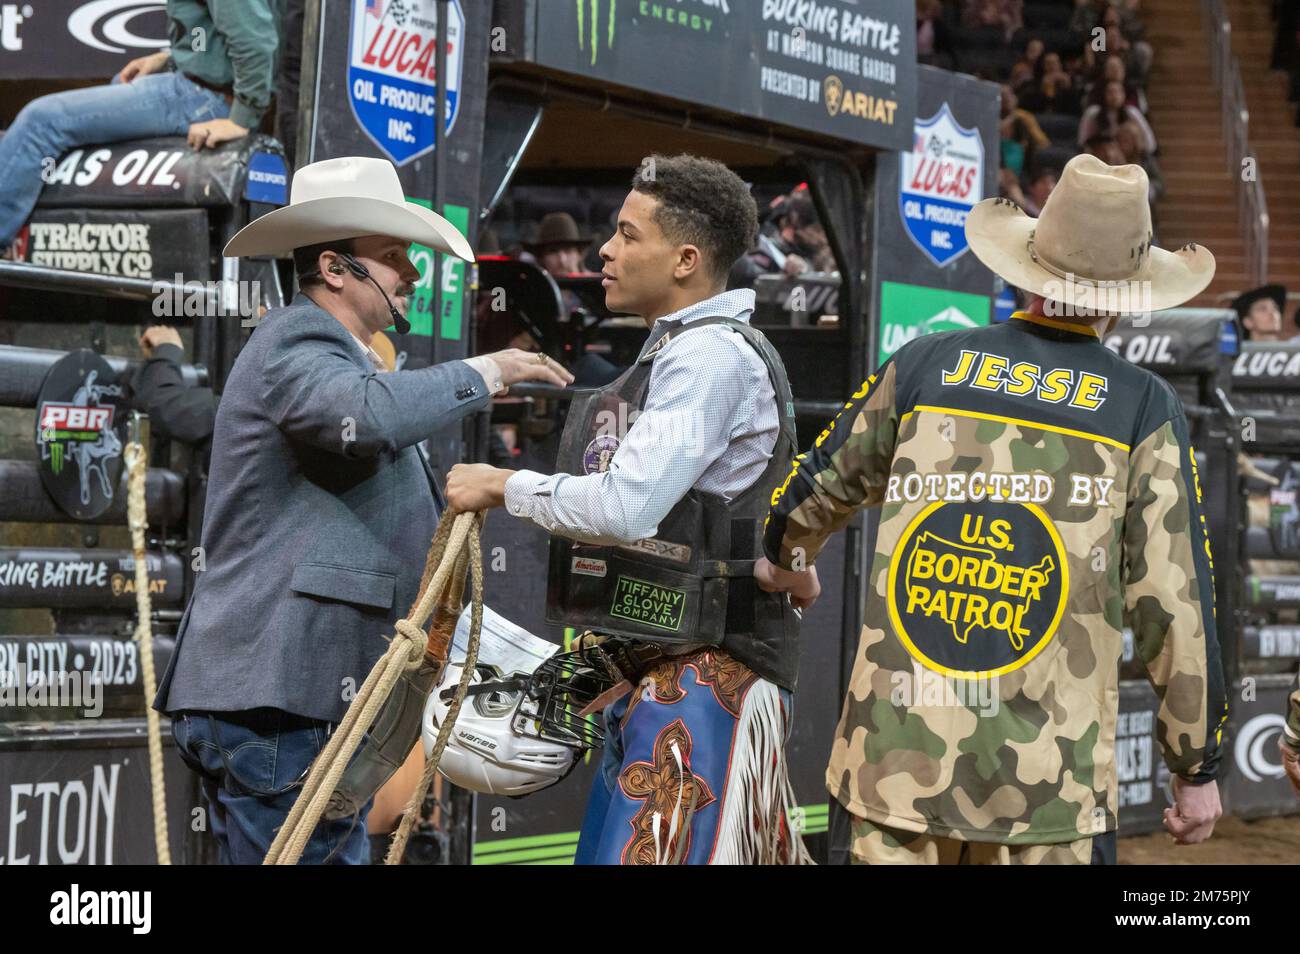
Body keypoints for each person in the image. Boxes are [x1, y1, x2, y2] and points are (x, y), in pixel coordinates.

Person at [755, 154, 1227, 864]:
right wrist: (1196, 766)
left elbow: (806, 496)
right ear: (1126, 296)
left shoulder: (923, 364)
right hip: (1049, 795)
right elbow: (1173, 602)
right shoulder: (1142, 408)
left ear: (1027, 270)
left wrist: (789, 564)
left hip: (892, 767)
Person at [153, 156, 573, 865]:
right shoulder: (295, 339)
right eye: (392, 256)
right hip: (282, 698)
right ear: (335, 267)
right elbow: (364, 416)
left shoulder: (324, 352)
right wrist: (490, 368)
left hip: (296, 702)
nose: (410, 273)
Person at [444, 154, 810, 865]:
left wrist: (500, 484)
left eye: (626, 235)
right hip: (668, 669)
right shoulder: (682, 351)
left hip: (707, 678)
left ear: (685, 259)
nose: (604, 251)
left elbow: (625, 507)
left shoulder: (710, 358)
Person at [0, 0, 284, 253]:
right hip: (198, 87)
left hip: (203, 98)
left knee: (41, 121)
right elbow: (216, 32)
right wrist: (170, 58)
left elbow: (255, 40)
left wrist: (241, 118)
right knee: (114, 86)